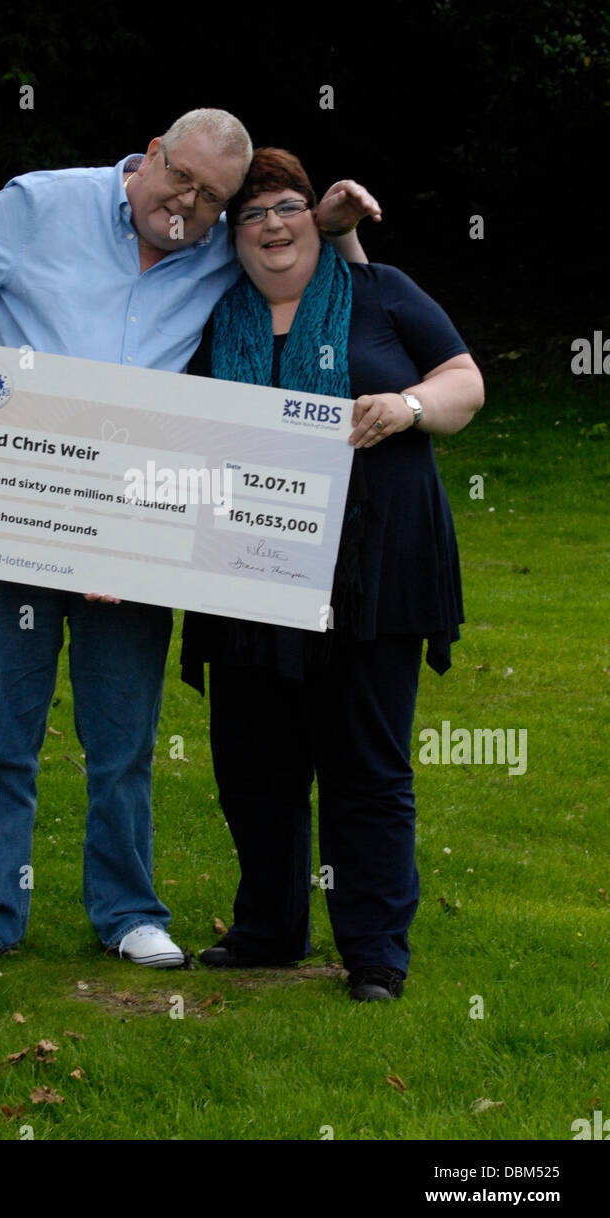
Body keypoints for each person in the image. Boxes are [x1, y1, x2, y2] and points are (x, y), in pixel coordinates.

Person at [0, 111, 380, 970]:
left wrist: (332, 227)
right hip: (10, 497)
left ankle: (127, 914)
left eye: (212, 200)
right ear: (150, 154)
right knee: (0, 728)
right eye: (180, 181)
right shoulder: (45, 203)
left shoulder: (213, 248)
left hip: (136, 518)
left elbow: (299, 267)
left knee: (122, 738)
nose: (188, 206)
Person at [180, 147, 484, 1000]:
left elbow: (464, 382)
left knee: (365, 766)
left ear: (313, 217)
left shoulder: (381, 291)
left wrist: (408, 407)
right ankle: (269, 930)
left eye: (286, 207)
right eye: (251, 215)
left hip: (374, 569)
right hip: (244, 567)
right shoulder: (212, 319)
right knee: (252, 764)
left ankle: (375, 951)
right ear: (232, 239)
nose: (270, 226)